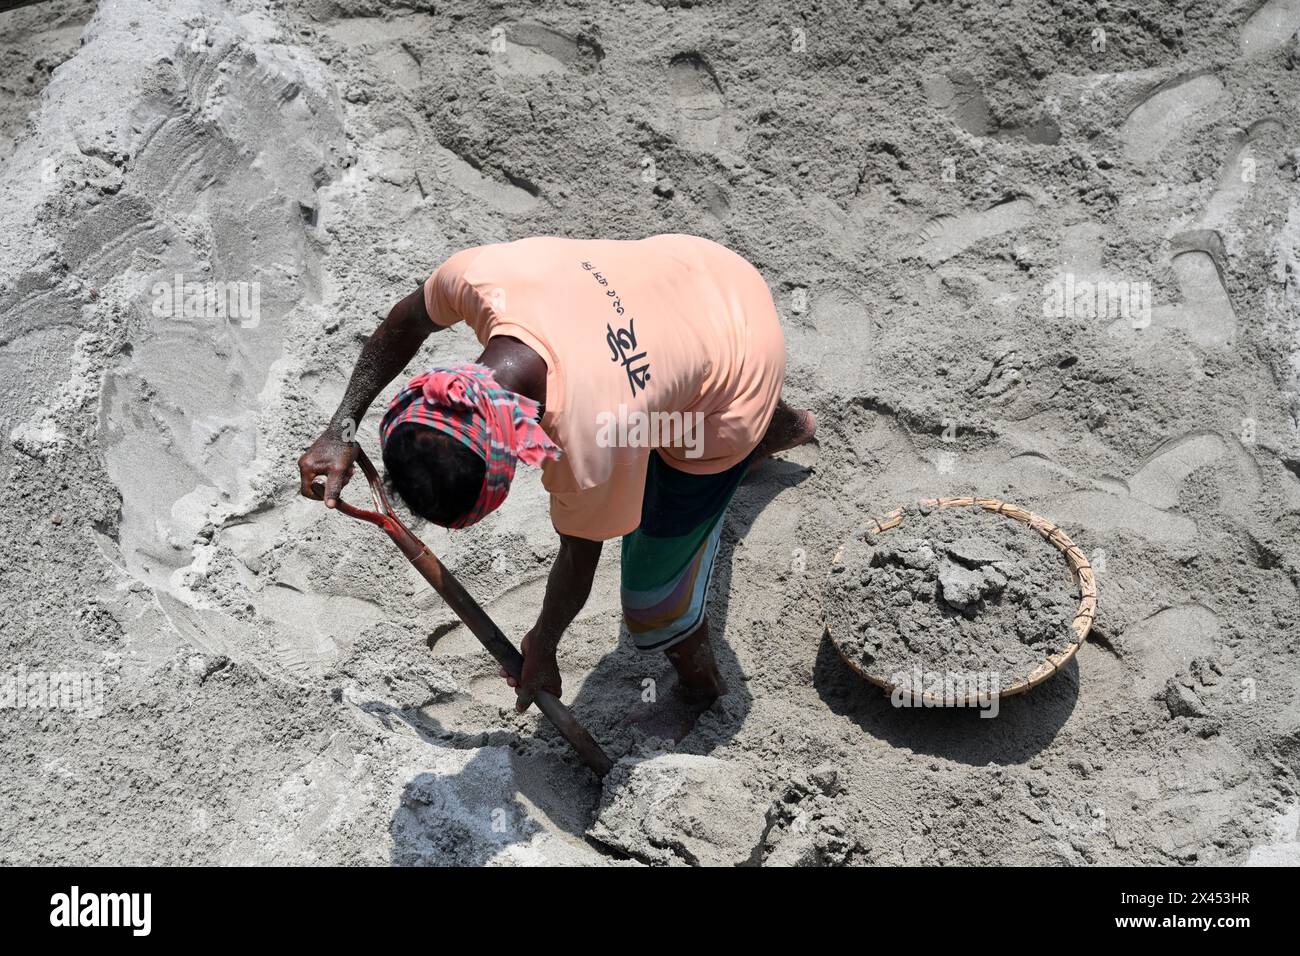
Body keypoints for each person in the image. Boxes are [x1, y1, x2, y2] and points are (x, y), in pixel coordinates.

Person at [298, 234, 815, 733]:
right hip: (698, 269)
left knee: (651, 597)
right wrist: (340, 428)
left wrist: (543, 646)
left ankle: (700, 690)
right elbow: (410, 318)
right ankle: (781, 424)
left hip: (735, 366)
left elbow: (581, 552)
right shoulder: (484, 279)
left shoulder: (590, 438)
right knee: (669, 393)